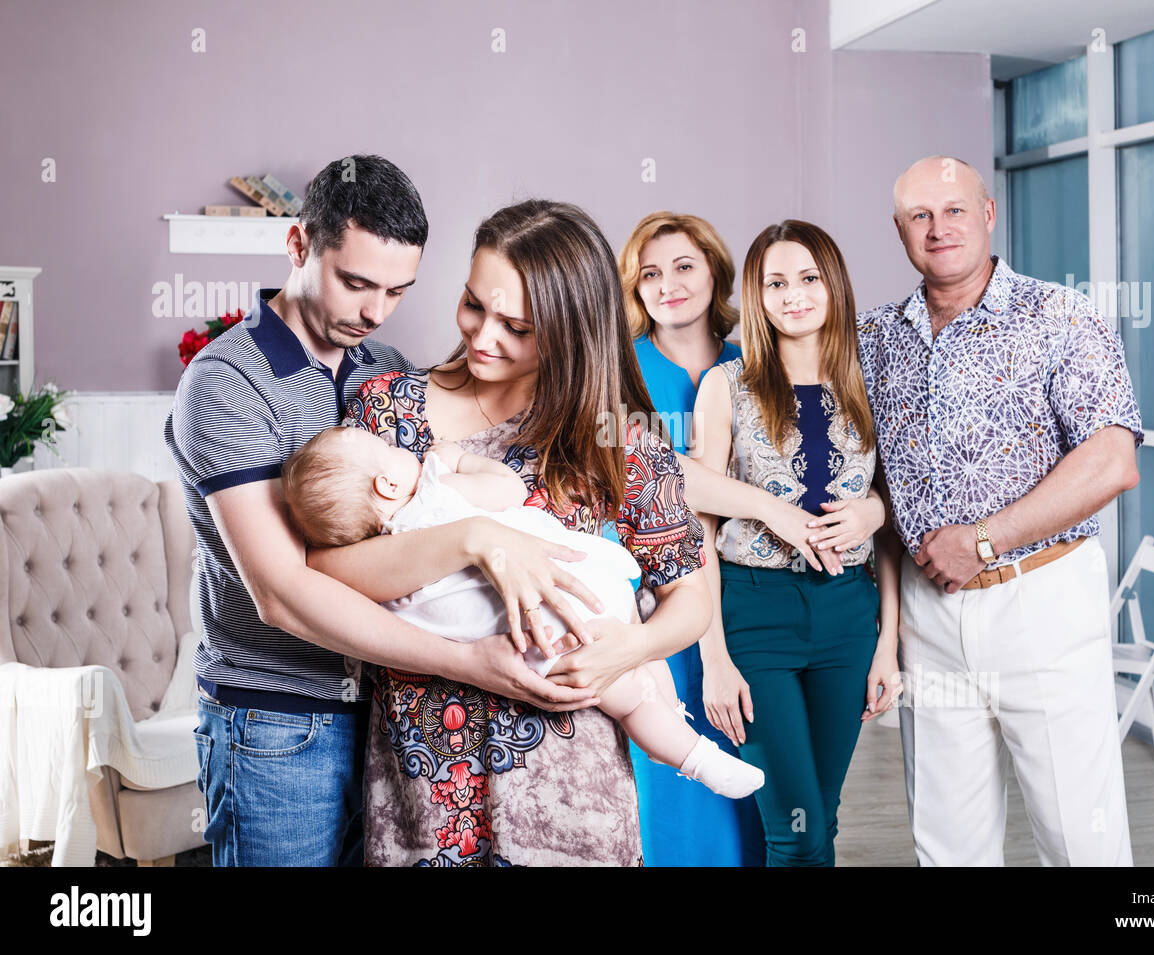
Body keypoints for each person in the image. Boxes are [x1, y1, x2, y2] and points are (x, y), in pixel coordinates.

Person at [164, 156, 603, 867]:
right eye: (357, 283)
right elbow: (284, 594)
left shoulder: (384, 370)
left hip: (382, 721)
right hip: (277, 721)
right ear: (299, 246)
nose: (374, 310)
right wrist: (470, 661)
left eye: (398, 290)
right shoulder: (225, 384)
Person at [307, 198, 712, 866]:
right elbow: (326, 574)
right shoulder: (387, 413)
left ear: (570, 330)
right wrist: (474, 540)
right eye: (474, 304)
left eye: (516, 326)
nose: (482, 336)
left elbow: (691, 599)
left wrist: (626, 651)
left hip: (572, 796)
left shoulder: (617, 439)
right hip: (423, 783)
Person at [858, 154, 1143, 866]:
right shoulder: (875, 340)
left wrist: (982, 541)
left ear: (988, 214)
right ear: (899, 232)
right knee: (947, 845)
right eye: (919, 215)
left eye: (954, 209)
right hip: (929, 617)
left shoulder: (1061, 314)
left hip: (1040, 601)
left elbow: (1112, 461)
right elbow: (873, 484)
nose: (938, 227)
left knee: (1082, 838)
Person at [281, 424, 763, 799]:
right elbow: (508, 490)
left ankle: (686, 747)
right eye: (388, 450)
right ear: (387, 484)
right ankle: (692, 752)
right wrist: (459, 461)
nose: (401, 448)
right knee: (638, 685)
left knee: (633, 688)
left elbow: (689, 597)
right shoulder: (435, 491)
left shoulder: (391, 564)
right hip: (570, 617)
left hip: (539, 646)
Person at [691, 219, 902, 867]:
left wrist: (888, 644)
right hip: (757, 615)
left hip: (848, 615)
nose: (793, 296)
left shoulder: (874, 383)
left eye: (808, 278)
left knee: (823, 817)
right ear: (755, 295)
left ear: (833, 285)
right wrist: (714, 657)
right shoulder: (726, 386)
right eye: (774, 283)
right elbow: (695, 507)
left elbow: (899, 519)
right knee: (795, 832)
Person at [616, 210, 765, 866]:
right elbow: (664, 486)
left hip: (756, 605)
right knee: (669, 788)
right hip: (655, 608)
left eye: (684, 266)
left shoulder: (757, 367)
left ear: (715, 274)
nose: (668, 284)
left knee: (756, 792)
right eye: (651, 273)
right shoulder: (619, 371)